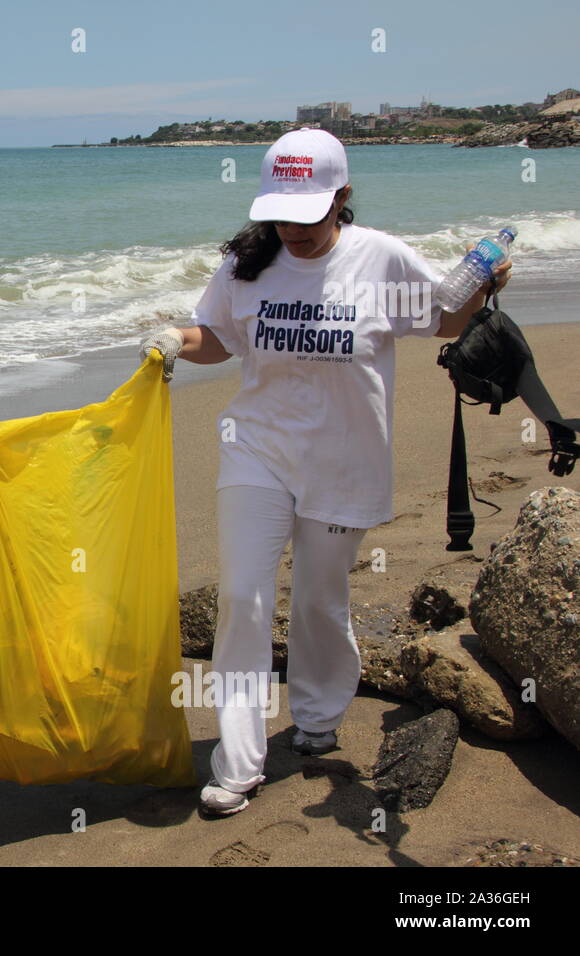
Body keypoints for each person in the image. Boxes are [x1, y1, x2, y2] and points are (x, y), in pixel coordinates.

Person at [139, 129, 511, 816]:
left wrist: (484, 284)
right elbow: (218, 336)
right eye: (281, 213)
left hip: (344, 458)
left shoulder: (382, 258)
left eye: (309, 214)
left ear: (341, 197)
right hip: (257, 450)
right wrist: (171, 339)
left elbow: (442, 320)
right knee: (244, 599)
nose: (293, 229)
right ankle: (238, 762)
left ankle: (316, 711)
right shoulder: (246, 264)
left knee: (317, 596)